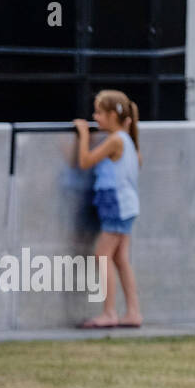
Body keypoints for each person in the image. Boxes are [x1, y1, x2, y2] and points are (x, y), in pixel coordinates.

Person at [73, 89, 143, 329]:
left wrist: (83, 134)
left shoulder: (116, 140)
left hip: (116, 203)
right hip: (126, 204)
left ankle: (109, 311)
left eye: (99, 113)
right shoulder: (129, 141)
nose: (95, 117)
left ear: (113, 115)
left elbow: (85, 161)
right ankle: (133, 311)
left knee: (102, 256)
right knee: (120, 258)